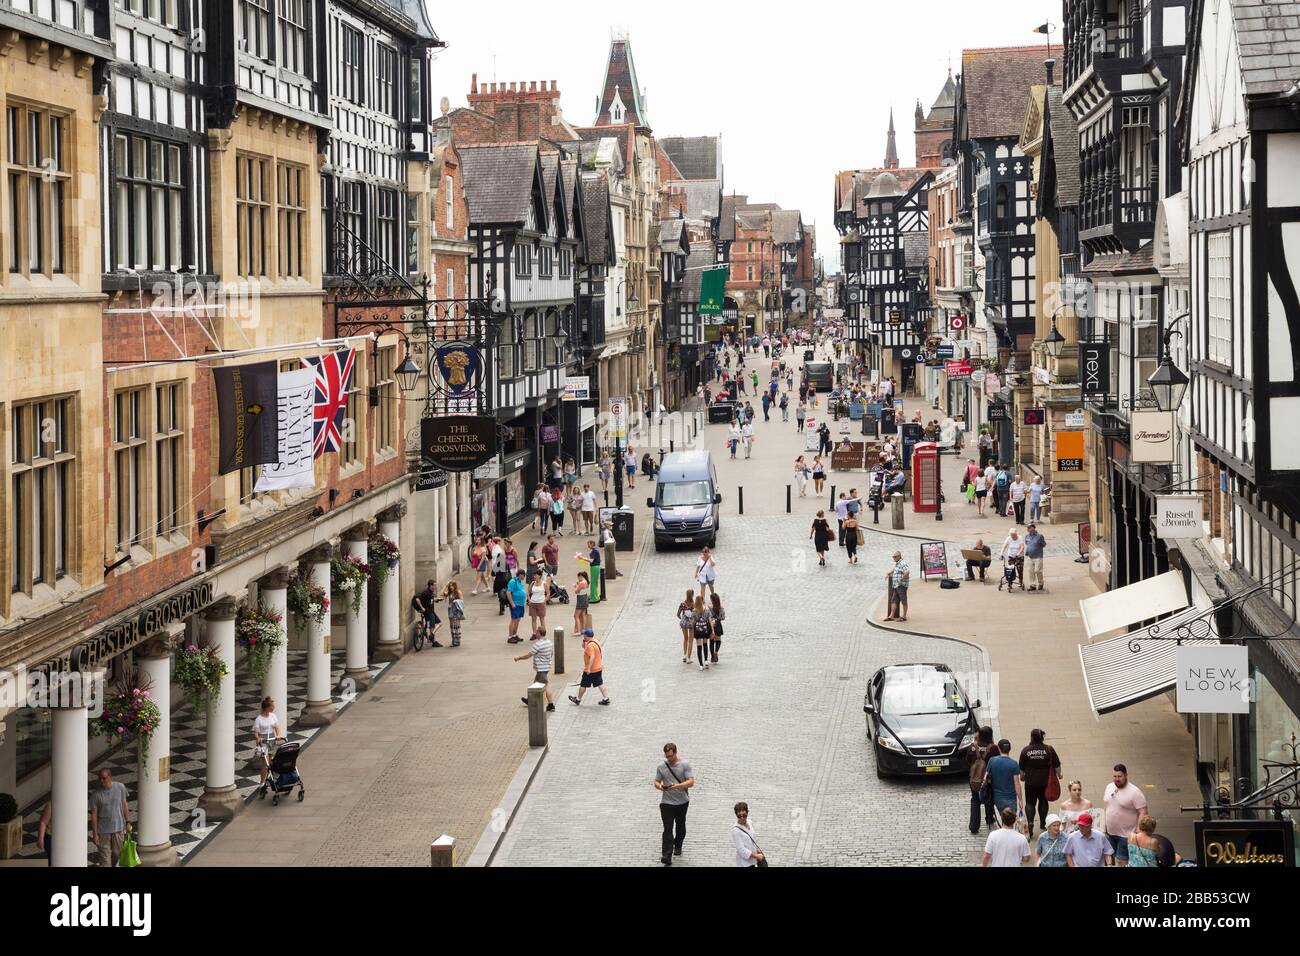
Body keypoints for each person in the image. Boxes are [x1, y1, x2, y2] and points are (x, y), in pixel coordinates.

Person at [654, 743, 694, 865]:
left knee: (680, 826)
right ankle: (666, 855)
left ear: (676, 753)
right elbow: (656, 781)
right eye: (667, 756)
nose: (669, 759)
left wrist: (677, 786)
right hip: (667, 803)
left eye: (671, 756)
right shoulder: (661, 766)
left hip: (682, 802)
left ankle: (678, 845)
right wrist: (661, 787)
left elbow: (691, 782)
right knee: (667, 829)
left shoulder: (685, 765)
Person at [1018, 728, 1061, 840]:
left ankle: (1031, 822)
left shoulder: (1025, 750)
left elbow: (1022, 769)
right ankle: (1042, 822)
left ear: (1031, 737)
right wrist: (1059, 775)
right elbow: (1057, 765)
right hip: (1045, 782)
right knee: (1043, 801)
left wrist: (1022, 777)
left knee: (1030, 803)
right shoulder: (1048, 749)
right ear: (1042, 737)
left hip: (1030, 782)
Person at [1103, 764, 1148, 867]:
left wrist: (1138, 830)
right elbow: (1107, 806)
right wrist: (1104, 825)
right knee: (1108, 860)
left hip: (1126, 835)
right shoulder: (1109, 787)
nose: (1117, 779)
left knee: (1122, 861)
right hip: (1110, 833)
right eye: (1114, 776)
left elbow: (1143, 812)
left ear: (1126, 775)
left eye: (1120, 776)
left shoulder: (1135, 792)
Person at [90, 767, 131, 867]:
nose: (101, 781)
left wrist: (128, 821)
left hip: (118, 828)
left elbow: (124, 804)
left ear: (110, 777)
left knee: (117, 854)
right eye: (100, 778)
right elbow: (94, 815)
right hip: (103, 831)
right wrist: (95, 834)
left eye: (104, 778)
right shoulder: (95, 795)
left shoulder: (120, 787)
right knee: (105, 861)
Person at [966, 726, 999, 834]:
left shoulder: (972, 747)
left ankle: (974, 826)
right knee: (989, 799)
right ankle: (989, 818)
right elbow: (996, 763)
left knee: (975, 800)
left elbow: (968, 760)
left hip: (974, 779)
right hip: (988, 779)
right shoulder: (993, 748)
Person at [513, 628, 555, 712]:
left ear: (539, 633)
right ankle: (530, 699)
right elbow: (551, 654)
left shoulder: (538, 644)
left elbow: (529, 655)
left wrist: (519, 658)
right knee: (535, 682)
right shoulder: (549, 643)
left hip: (541, 668)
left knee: (545, 686)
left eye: (536, 633)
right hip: (546, 667)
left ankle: (551, 705)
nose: (535, 634)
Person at [984, 739, 1023, 824]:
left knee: (1004, 819)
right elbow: (1017, 783)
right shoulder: (1013, 764)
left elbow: (985, 778)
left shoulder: (992, 760)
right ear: (1010, 749)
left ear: (999, 748)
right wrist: (1020, 800)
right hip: (1011, 798)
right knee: (1011, 821)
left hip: (998, 797)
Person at [568, 629, 611, 706]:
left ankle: (578, 699)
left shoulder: (590, 646)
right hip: (598, 668)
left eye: (584, 635)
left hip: (591, 669)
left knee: (583, 685)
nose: (583, 636)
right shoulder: (595, 642)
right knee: (600, 683)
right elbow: (586, 649)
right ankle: (606, 698)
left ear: (586, 636)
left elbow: (592, 656)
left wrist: (588, 668)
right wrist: (584, 642)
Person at [252, 696, 287, 784]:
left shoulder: (273, 716)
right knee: (265, 762)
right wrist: (258, 738)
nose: (273, 708)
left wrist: (278, 735)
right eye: (272, 707)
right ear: (267, 708)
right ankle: (262, 781)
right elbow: (255, 732)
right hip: (263, 741)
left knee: (270, 761)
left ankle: (270, 777)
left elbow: (277, 727)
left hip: (272, 739)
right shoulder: (258, 719)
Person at [412, 578, 444, 647]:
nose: (435, 587)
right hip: (428, 612)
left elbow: (430, 600)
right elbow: (417, 599)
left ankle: (431, 636)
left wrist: (437, 599)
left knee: (439, 623)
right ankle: (433, 640)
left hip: (431, 610)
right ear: (430, 586)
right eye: (434, 585)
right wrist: (422, 608)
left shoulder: (430, 593)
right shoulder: (425, 592)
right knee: (432, 625)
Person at [733, 802, 766, 867]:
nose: (742, 818)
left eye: (744, 815)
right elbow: (741, 850)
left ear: (747, 813)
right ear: (736, 815)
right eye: (739, 816)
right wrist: (756, 856)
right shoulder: (736, 831)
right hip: (744, 863)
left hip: (752, 861)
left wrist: (757, 850)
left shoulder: (749, 822)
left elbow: (752, 838)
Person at [884, 550, 910, 622]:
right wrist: (888, 573)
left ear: (899, 556)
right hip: (896, 586)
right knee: (894, 600)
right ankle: (891, 616)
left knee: (903, 600)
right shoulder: (898, 564)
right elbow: (895, 570)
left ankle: (904, 616)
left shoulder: (902, 563)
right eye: (893, 557)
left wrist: (901, 580)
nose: (893, 558)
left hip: (901, 586)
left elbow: (907, 572)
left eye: (895, 557)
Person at [440, 581, 466, 647]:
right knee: (451, 626)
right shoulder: (449, 592)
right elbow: (441, 595)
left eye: (452, 586)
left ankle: (458, 641)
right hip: (450, 610)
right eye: (450, 586)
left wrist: (454, 601)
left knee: (457, 626)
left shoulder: (458, 592)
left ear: (455, 586)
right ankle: (453, 641)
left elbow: (462, 601)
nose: (451, 587)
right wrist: (446, 587)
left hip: (456, 610)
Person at [691, 595, 713, 670]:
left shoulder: (694, 611)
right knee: (705, 644)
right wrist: (712, 630)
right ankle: (706, 660)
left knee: (699, 647)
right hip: (705, 629)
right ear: (702, 600)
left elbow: (693, 622)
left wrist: (692, 632)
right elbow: (710, 621)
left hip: (697, 630)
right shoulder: (706, 609)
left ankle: (701, 665)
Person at [1000, 527, 1026, 591]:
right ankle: (1010, 582)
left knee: (1019, 569)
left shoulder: (1020, 538)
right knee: (1010, 569)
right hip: (1011, 556)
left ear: (1016, 534)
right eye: (1012, 535)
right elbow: (1004, 546)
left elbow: (1022, 547)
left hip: (1019, 556)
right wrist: (1001, 553)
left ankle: (1020, 581)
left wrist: (1018, 553)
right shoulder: (1008, 538)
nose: (1013, 537)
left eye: (1014, 535)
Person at [1023, 523, 1047, 592]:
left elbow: (1044, 544)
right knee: (1031, 571)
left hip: (1038, 556)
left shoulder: (1040, 536)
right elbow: (1027, 543)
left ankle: (1041, 583)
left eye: (1029, 528)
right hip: (1030, 556)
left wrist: (1037, 548)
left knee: (1037, 571)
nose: (1028, 529)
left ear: (1033, 528)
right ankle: (1032, 585)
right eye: (1027, 528)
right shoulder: (1027, 536)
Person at [506, 570, 528, 644]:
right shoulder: (513, 581)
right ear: (520, 575)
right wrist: (512, 603)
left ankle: (514, 635)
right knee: (514, 620)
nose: (524, 577)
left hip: (520, 604)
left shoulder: (519, 581)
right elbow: (508, 593)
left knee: (518, 620)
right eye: (523, 575)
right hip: (515, 604)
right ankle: (510, 637)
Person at [677, 589, 696, 663]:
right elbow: (696, 615)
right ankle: (689, 658)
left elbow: (678, 614)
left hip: (684, 624)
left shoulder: (682, 604)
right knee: (691, 640)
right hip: (691, 623)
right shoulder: (694, 604)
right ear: (692, 595)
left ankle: (684, 655)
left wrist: (683, 619)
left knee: (685, 638)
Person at [527, 570, 548, 635]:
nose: (534, 576)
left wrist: (545, 601)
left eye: (536, 575)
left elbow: (548, 593)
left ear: (539, 576)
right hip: (533, 603)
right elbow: (528, 592)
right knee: (533, 619)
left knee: (542, 619)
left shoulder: (544, 583)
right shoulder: (533, 583)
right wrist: (529, 600)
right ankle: (534, 633)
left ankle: (543, 633)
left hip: (541, 603)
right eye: (534, 575)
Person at [37, 799, 53, 865]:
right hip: (50, 838)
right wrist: (40, 839)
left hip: (66, 839)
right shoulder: (51, 804)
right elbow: (43, 822)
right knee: (53, 861)